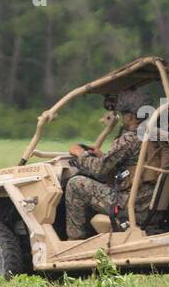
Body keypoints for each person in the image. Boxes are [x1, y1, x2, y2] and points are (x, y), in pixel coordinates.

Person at [64, 89, 152, 239]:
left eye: (122, 115)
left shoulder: (129, 139)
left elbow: (99, 170)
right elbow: (132, 165)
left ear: (130, 117)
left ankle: (74, 240)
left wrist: (79, 153)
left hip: (131, 204)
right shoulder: (155, 135)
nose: (121, 118)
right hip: (148, 202)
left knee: (76, 184)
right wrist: (103, 156)